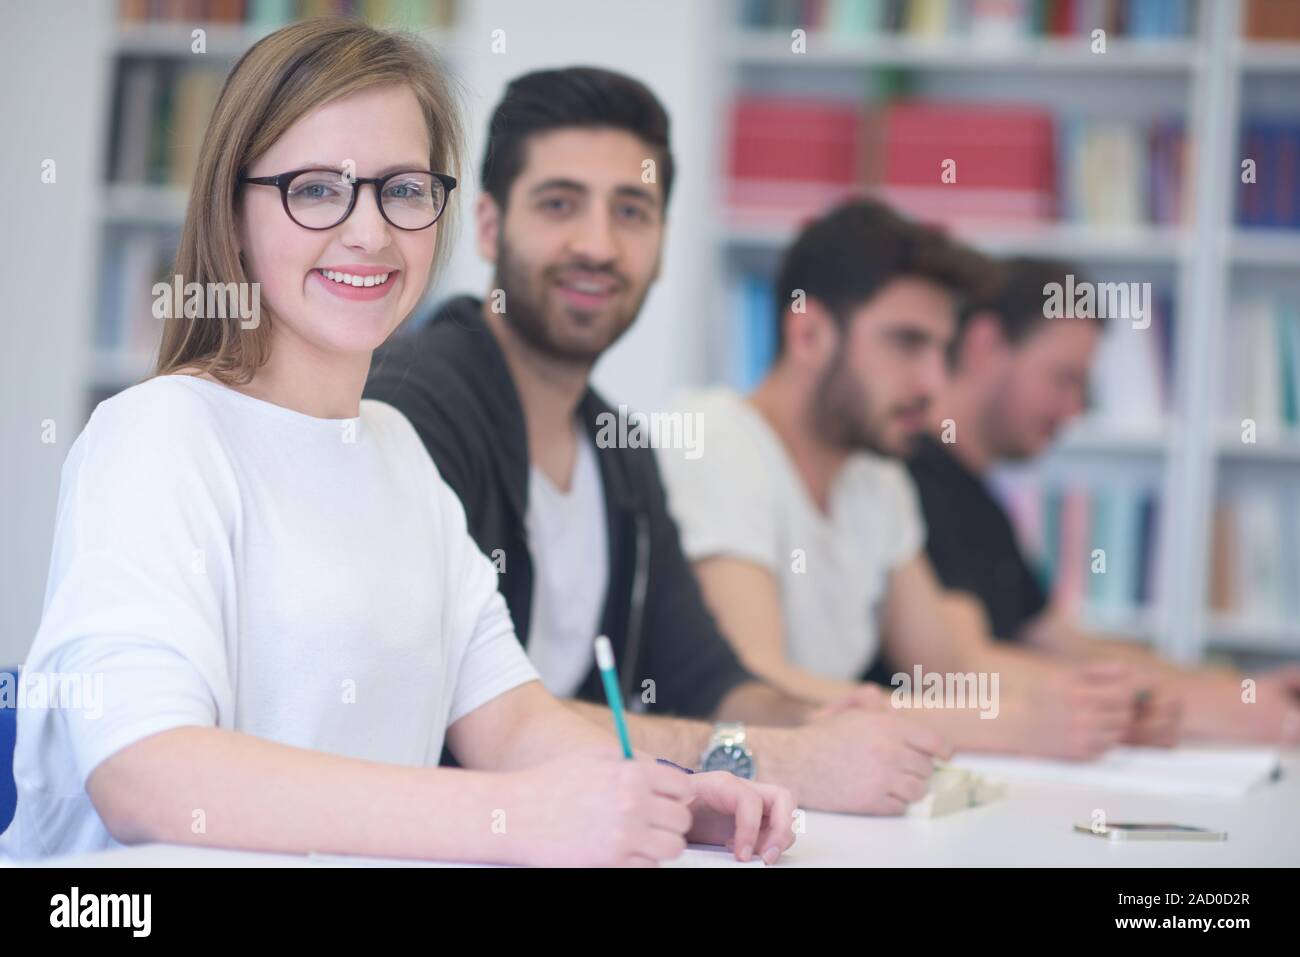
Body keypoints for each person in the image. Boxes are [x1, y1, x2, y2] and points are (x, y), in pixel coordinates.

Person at [0, 19, 796, 867]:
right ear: (232, 217)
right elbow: (146, 775)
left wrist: (667, 794)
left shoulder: (400, 453)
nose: (370, 233)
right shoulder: (156, 436)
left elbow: (513, 721)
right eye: (315, 189)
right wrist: (515, 816)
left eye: (405, 190)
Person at [365, 67, 949, 816]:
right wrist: (774, 756)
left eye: (632, 211)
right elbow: (453, 713)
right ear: (487, 224)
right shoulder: (414, 409)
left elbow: (710, 680)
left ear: (663, 245)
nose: (598, 245)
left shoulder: (621, 453)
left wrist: (821, 725)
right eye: (559, 203)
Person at [659, 199, 1164, 759]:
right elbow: (752, 686)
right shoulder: (714, 436)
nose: (931, 382)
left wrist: (1090, 704)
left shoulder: (877, 476)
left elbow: (944, 670)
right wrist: (1018, 726)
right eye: (906, 342)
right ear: (808, 335)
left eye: (941, 351)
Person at [905, 255, 1300, 744]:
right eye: (1063, 378)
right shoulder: (914, 480)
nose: (1074, 410)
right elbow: (961, 666)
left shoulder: (979, 501)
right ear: (986, 344)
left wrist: (1234, 690)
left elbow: (1063, 641)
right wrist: (1203, 709)